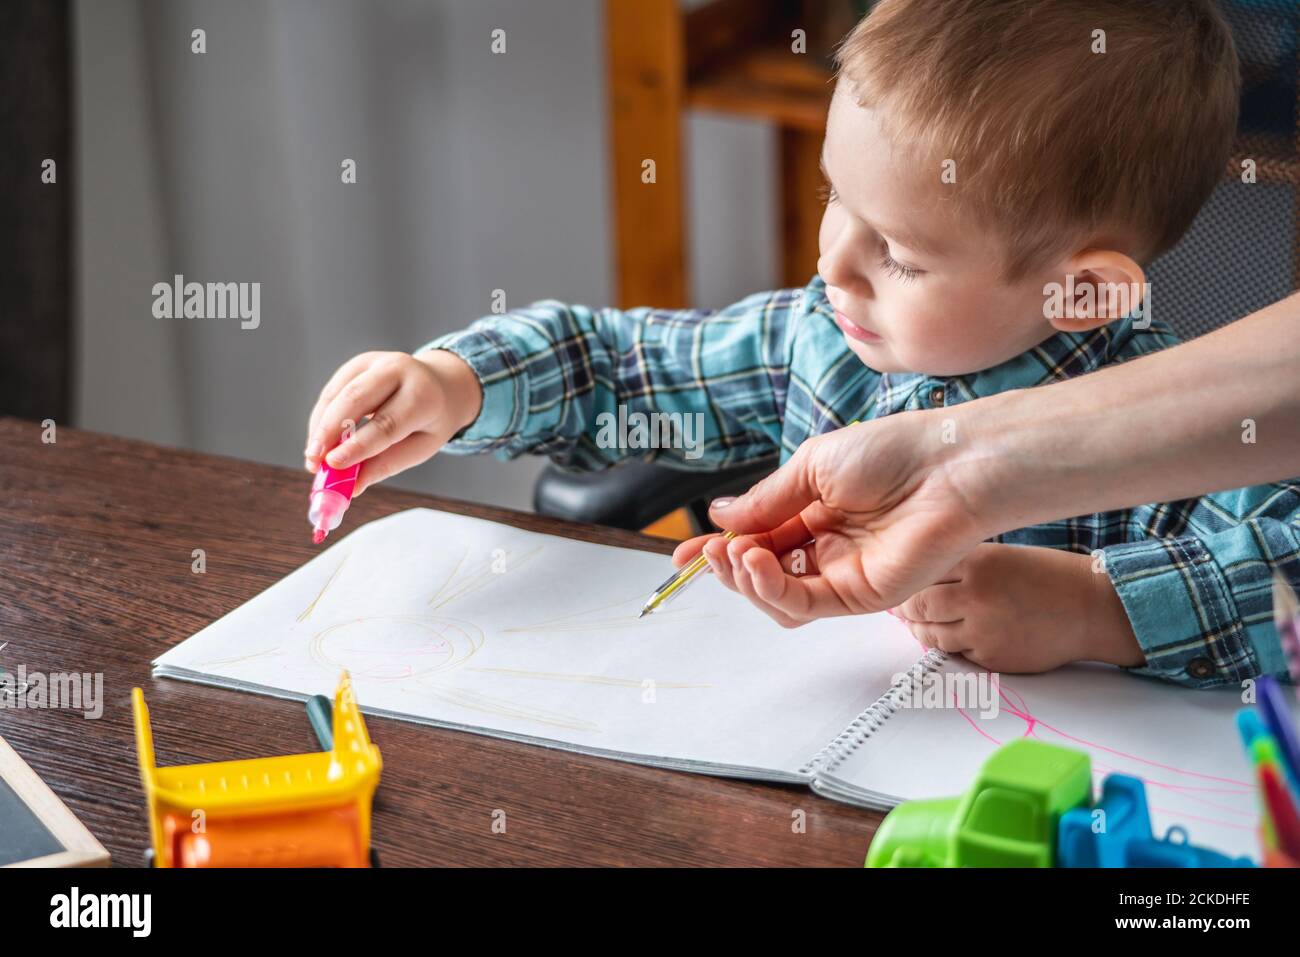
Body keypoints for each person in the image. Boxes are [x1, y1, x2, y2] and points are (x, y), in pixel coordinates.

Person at [302, 0, 1289, 686]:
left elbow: (1283, 584)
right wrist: (454, 381)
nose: (833, 268)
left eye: (899, 251)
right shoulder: (814, 342)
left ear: (1081, 292)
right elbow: (611, 368)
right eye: (832, 200)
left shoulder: (1194, 425)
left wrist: (1093, 612)